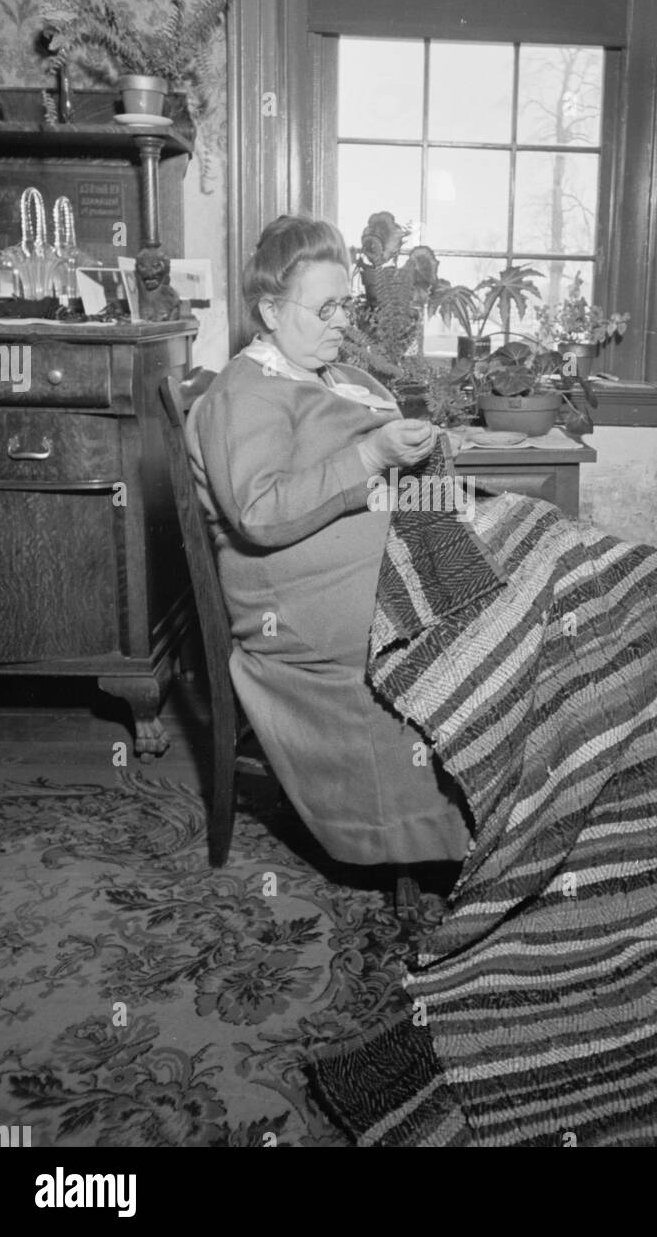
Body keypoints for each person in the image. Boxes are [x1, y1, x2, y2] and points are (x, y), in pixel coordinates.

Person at [186, 214, 471, 866]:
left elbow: (376, 456)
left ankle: (518, 804)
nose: (342, 320)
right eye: (325, 307)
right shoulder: (248, 391)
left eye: (345, 303)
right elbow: (258, 513)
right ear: (268, 309)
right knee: (511, 623)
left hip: (362, 577)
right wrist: (372, 456)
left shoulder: (328, 375)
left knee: (542, 578)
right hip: (302, 608)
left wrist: (418, 463)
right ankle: (473, 822)